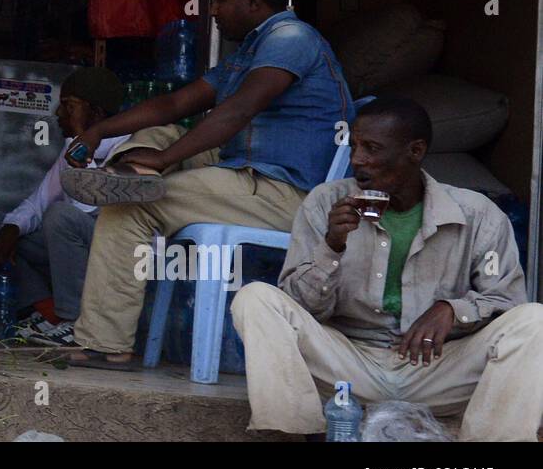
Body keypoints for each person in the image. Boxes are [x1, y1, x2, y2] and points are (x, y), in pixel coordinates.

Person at [60, 0, 354, 369]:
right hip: (243, 172)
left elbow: (238, 111)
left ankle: (108, 344)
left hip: (285, 193)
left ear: (252, 1)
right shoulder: (251, 49)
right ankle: (125, 172)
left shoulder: (292, 38)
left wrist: (165, 160)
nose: (210, 11)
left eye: (219, 0)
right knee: (162, 133)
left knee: (130, 208)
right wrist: (98, 132)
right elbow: (176, 102)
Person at [232, 97, 543, 441]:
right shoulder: (324, 203)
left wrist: (454, 311)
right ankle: (292, 433)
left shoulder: (477, 215)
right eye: (354, 147)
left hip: (436, 370)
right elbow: (300, 306)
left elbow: (506, 300)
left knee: (534, 320)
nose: (357, 160)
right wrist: (332, 246)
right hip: (348, 365)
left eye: (372, 148)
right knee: (255, 298)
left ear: (416, 151)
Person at [0, 68, 127, 346]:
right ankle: (46, 312)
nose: (58, 115)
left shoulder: (127, 148)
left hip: (113, 251)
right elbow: (39, 201)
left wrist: (82, 137)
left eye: (68, 106)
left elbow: (84, 208)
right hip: (73, 244)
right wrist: (11, 227)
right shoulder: (73, 146)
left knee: (61, 216)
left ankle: (76, 322)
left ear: (96, 113)